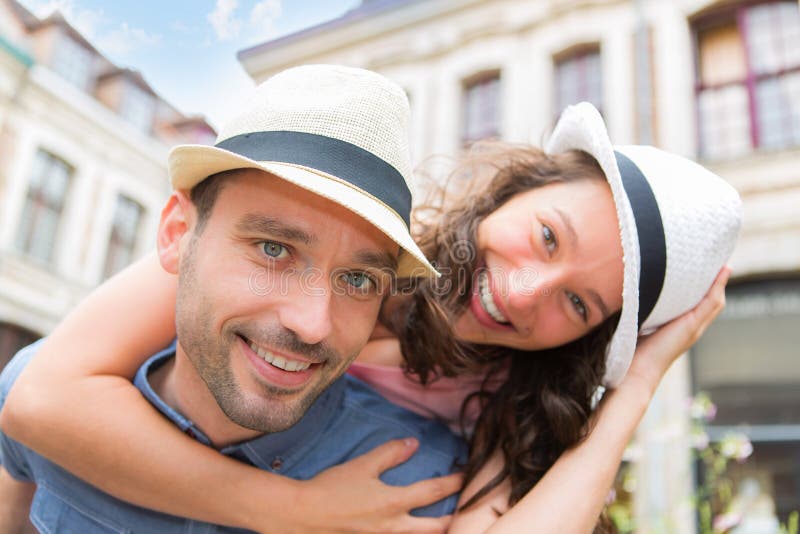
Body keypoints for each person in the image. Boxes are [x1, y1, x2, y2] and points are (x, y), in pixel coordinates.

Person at [1, 97, 741, 533]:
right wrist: (288, 510)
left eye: (578, 303)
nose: (523, 293)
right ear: (516, 191)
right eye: (548, 236)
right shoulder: (356, 231)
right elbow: (38, 398)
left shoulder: (507, 399)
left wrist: (638, 382)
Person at [0, 64, 469, 533]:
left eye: (359, 280)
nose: (312, 324)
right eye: (273, 249)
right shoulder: (39, 398)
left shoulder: (421, 491)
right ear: (177, 234)